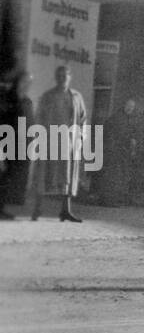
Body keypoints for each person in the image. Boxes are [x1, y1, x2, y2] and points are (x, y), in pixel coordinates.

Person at [30, 66, 88, 222]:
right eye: (60, 76)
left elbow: (82, 119)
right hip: (50, 141)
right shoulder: (48, 96)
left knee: (67, 177)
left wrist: (81, 137)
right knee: (44, 174)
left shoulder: (76, 97)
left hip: (69, 142)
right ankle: (37, 209)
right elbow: (39, 117)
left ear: (70, 78)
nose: (62, 78)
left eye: (65, 76)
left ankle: (65, 211)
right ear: (56, 78)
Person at [0, 70, 33, 219]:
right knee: (2, 176)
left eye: (29, 82)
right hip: (5, 143)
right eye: (24, 81)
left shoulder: (27, 102)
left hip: (21, 147)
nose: (27, 85)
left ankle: (2, 207)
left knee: (10, 178)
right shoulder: (7, 100)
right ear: (17, 82)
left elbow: (31, 124)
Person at [96, 98, 140, 207]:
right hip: (113, 152)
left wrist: (132, 140)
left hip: (122, 152)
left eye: (132, 107)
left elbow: (130, 133)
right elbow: (109, 134)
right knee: (112, 176)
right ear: (124, 105)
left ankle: (114, 199)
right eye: (128, 106)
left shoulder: (129, 119)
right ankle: (107, 200)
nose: (130, 109)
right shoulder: (116, 118)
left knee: (119, 177)